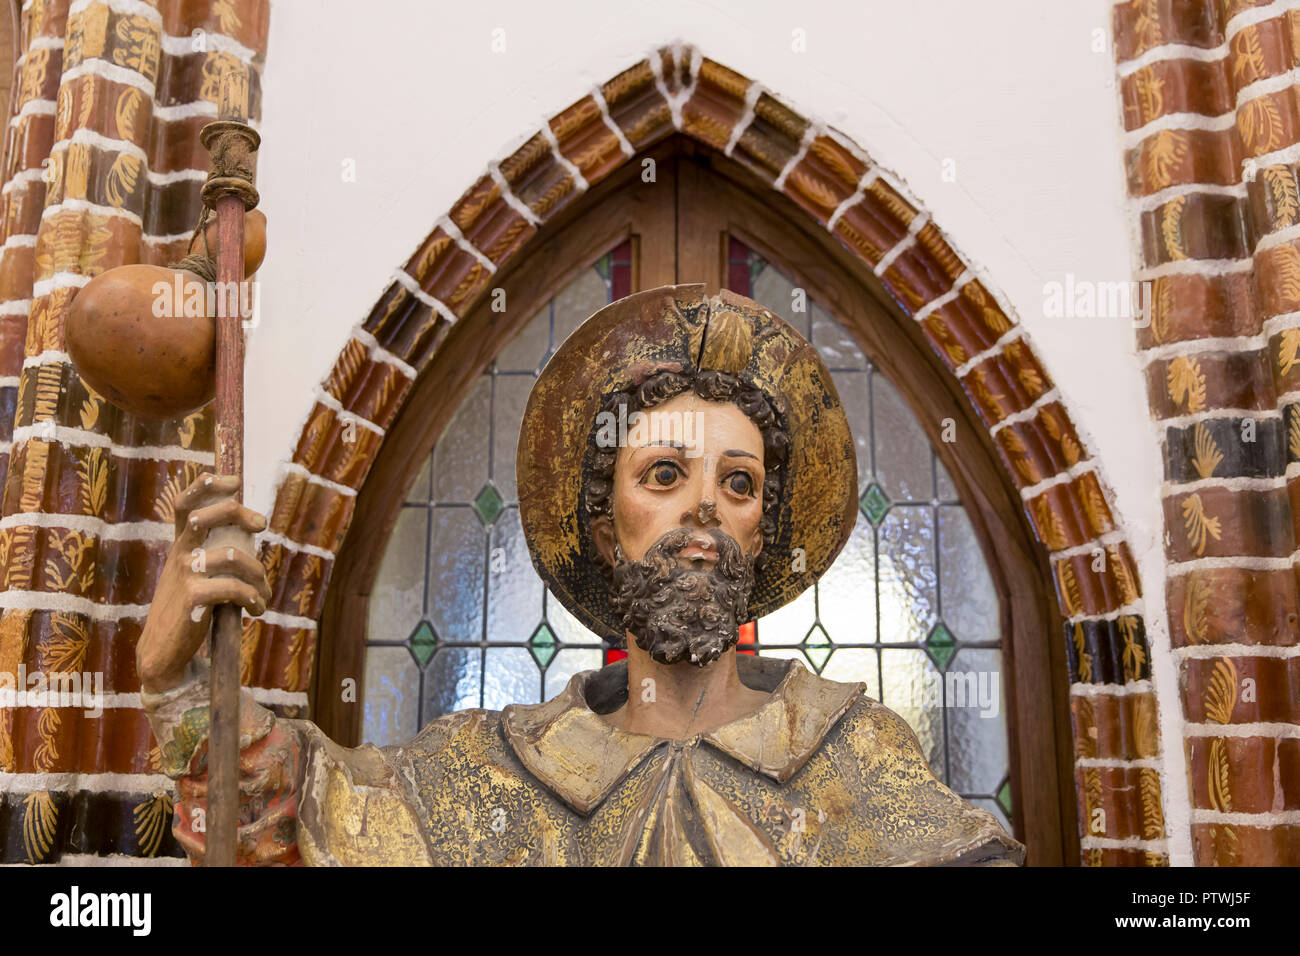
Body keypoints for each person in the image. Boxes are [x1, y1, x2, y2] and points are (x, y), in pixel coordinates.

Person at [137, 284, 1024, 866]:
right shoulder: (495, 773)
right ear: (605, 527)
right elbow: (281, 811)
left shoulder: (854, 754)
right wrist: (173, 677)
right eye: (665, 477)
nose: (705, 511)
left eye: (739, 484)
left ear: (766, 529)